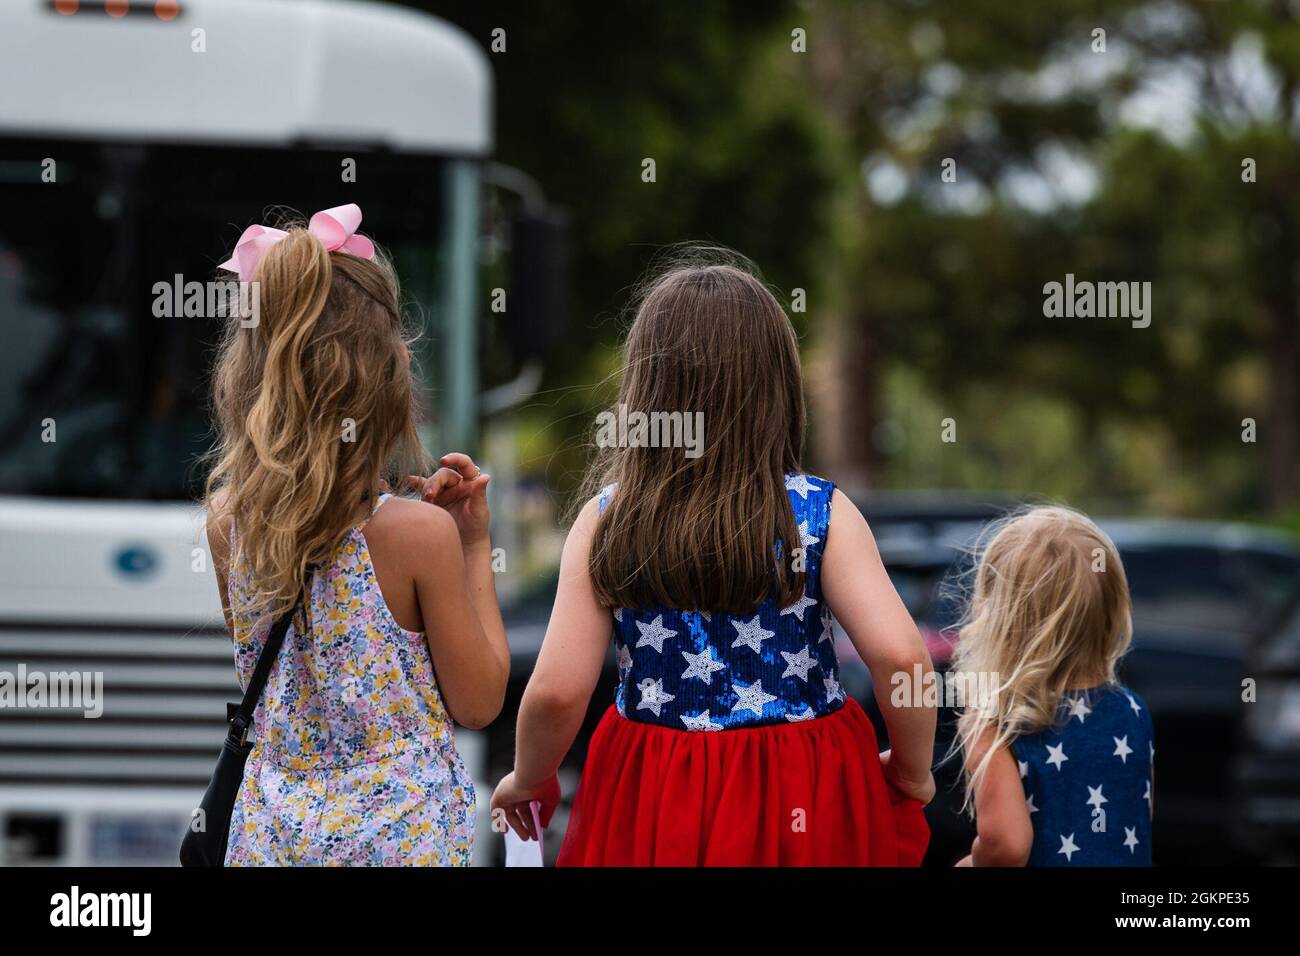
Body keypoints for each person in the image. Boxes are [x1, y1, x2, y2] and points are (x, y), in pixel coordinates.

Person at [491, 251, 936, 865]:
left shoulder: (607, 520)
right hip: (805, 786)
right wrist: (912, 773)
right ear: (777, 384)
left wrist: (529, 776)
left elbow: (558, 692)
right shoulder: (821, 514)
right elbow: (902, 657)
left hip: (654, 786)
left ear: (647, 388)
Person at [205, 205, 508, 865]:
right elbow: (480, 699)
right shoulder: (419, 535)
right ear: (391, 375)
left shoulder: (229, 522)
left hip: (269, 836)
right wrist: (474, 544)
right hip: (398, 839)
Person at [951, 506, 1154, 866]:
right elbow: (1136, 813)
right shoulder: (1132, 710)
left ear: (1001, 622)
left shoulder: (997, 727)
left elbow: (1006, 846)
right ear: (1109, 613)